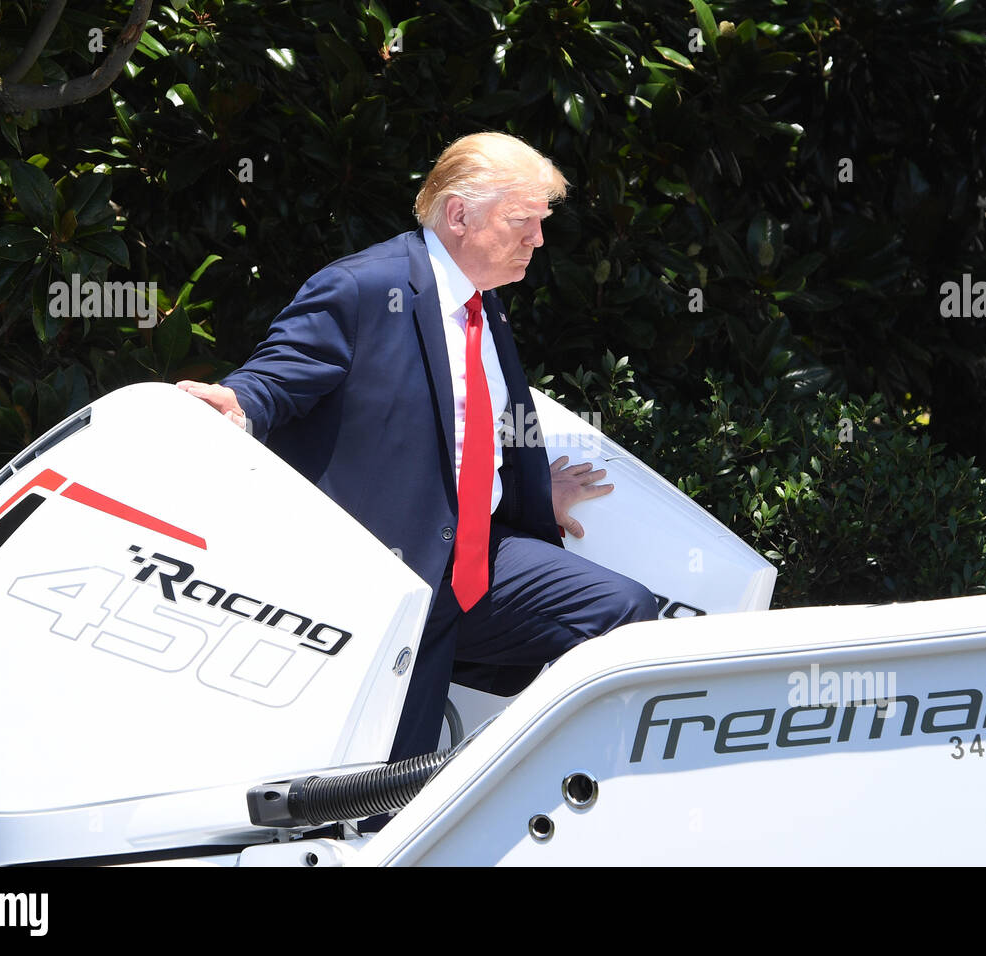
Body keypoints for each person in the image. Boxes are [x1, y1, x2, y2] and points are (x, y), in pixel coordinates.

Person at [177, 132, 657, 779]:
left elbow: (480, 430)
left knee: (623, 611)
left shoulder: (488, 308)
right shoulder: (362, 288)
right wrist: (235, 405)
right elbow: (274, 381)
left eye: (541, 224)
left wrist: (530, 491)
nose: (538, 242)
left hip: (476, 562)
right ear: (459, 215)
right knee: (380, 799)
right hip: (388, 578)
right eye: (524, 223)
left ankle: (545, 792)